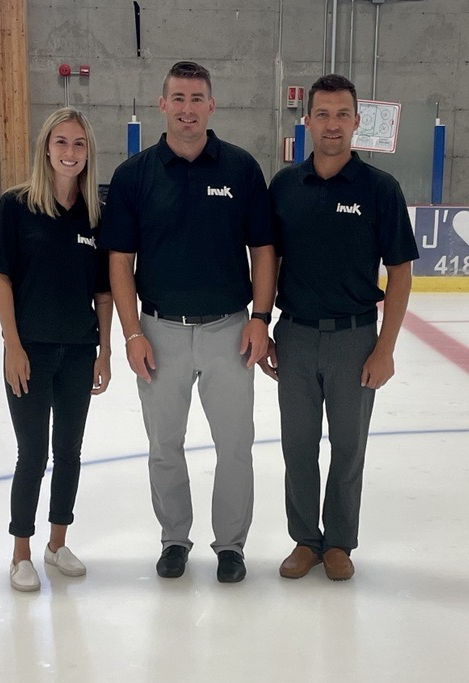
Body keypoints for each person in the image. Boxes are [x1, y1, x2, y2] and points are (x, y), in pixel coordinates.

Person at [99, 61, 275, 583]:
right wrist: (131, 333)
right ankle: (174, 538)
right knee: (164, 446)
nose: (187, 108)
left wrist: (260, 319)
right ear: (162, 105)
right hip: (158, 332)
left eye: (197, 98)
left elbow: (264, 249)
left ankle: (231, 547)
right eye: (178, 98)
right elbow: (118, 263)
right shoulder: (135, 176)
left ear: (212, 105)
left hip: (229, 330)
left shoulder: (241, 169)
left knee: (235, 447)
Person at [260, 74, 419, 581]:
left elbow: (400, 273)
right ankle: (306, 541)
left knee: (349, 447)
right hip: (296, 336)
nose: (332, 124)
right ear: (307, 121)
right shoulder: (285, 186)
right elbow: (266, 260)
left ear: (356, 121)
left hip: (355, 339)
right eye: (322, 114)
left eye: (341, 114)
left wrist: (385, 348)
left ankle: (339, 544)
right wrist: (263, 324)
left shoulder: (379, 189)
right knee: (298, 446)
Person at [0, 107, 113, 592]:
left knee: (70, 451)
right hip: (31, 352)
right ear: (46, 148)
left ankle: (57, 544)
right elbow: (3, 279)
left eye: (79, 144)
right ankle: (21, 552)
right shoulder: (17, 207)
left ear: (88, 153)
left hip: (79, 352)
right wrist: (12, 345)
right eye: (61, 142)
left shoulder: (95, 215)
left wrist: (104, 351)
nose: (70, 152)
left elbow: (103, 294)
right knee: (33, 453)